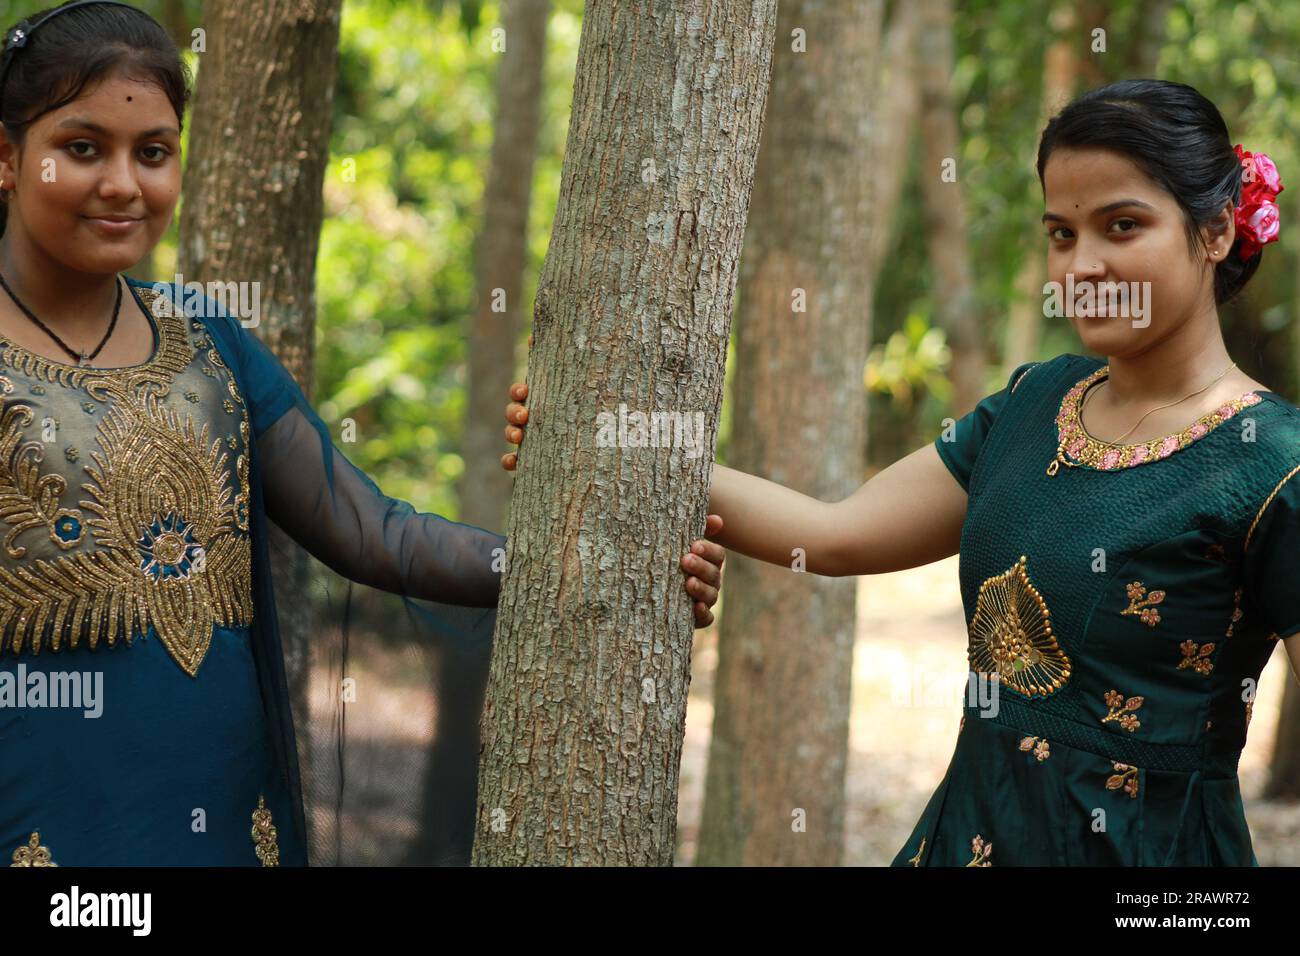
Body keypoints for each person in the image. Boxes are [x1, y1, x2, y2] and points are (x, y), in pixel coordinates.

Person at [0, 0, 726, 867]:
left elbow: (372, 531)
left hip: (220, 817)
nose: (124, 182)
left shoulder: (210, 341)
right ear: (8, 157)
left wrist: (602, 564)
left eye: (153, 152)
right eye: (83, 149)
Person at [506, 78, 1300, 866]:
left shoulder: (1274, 467)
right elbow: (834, 534)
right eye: (1061, 234)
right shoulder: (1032, 404)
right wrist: (610, 447)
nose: (1083, 265)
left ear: (1217, 231)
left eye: (1122, 226)